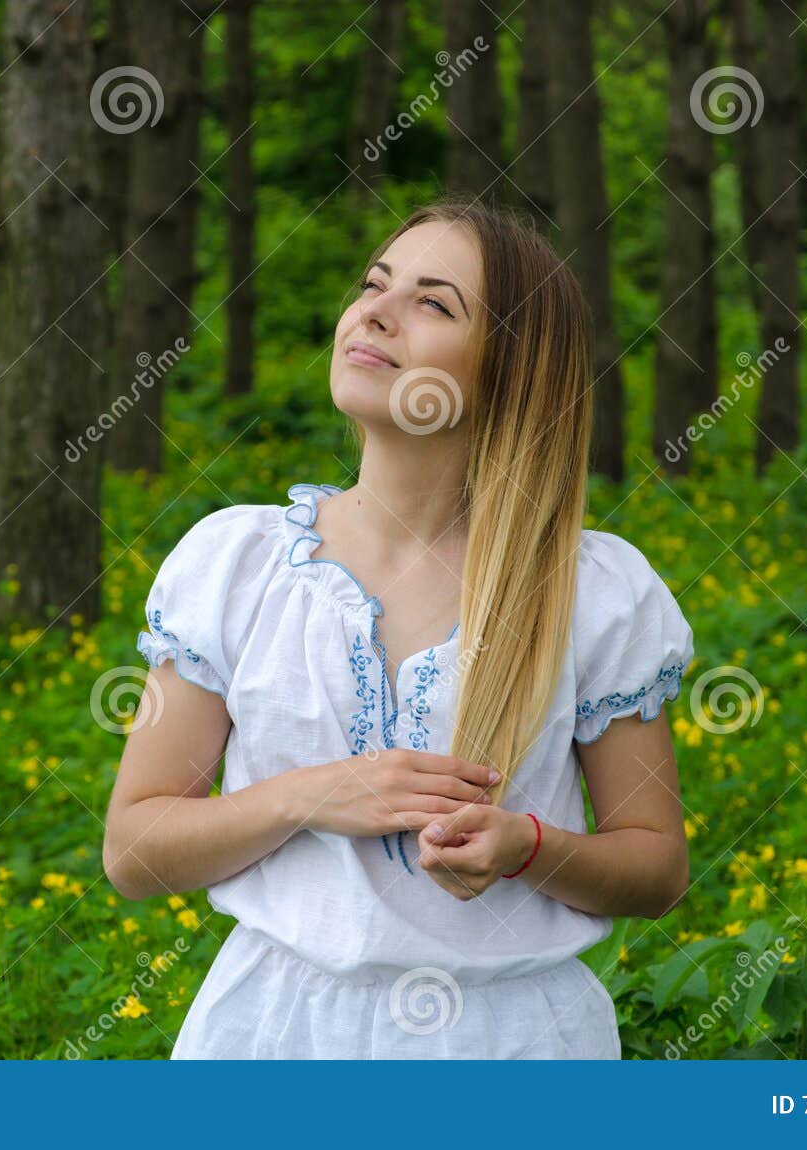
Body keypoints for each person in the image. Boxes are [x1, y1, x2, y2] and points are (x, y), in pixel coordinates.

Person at [102, 196, 696, 1059]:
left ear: (508, 370)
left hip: (516, 1047)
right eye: (376, 283)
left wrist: (528, 848)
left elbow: (656, 868)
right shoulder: (237, 566)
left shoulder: (590, 591)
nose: (375, 309)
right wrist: (311, 795)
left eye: (433, 302)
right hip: (273, 1036)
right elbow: (135, 853)